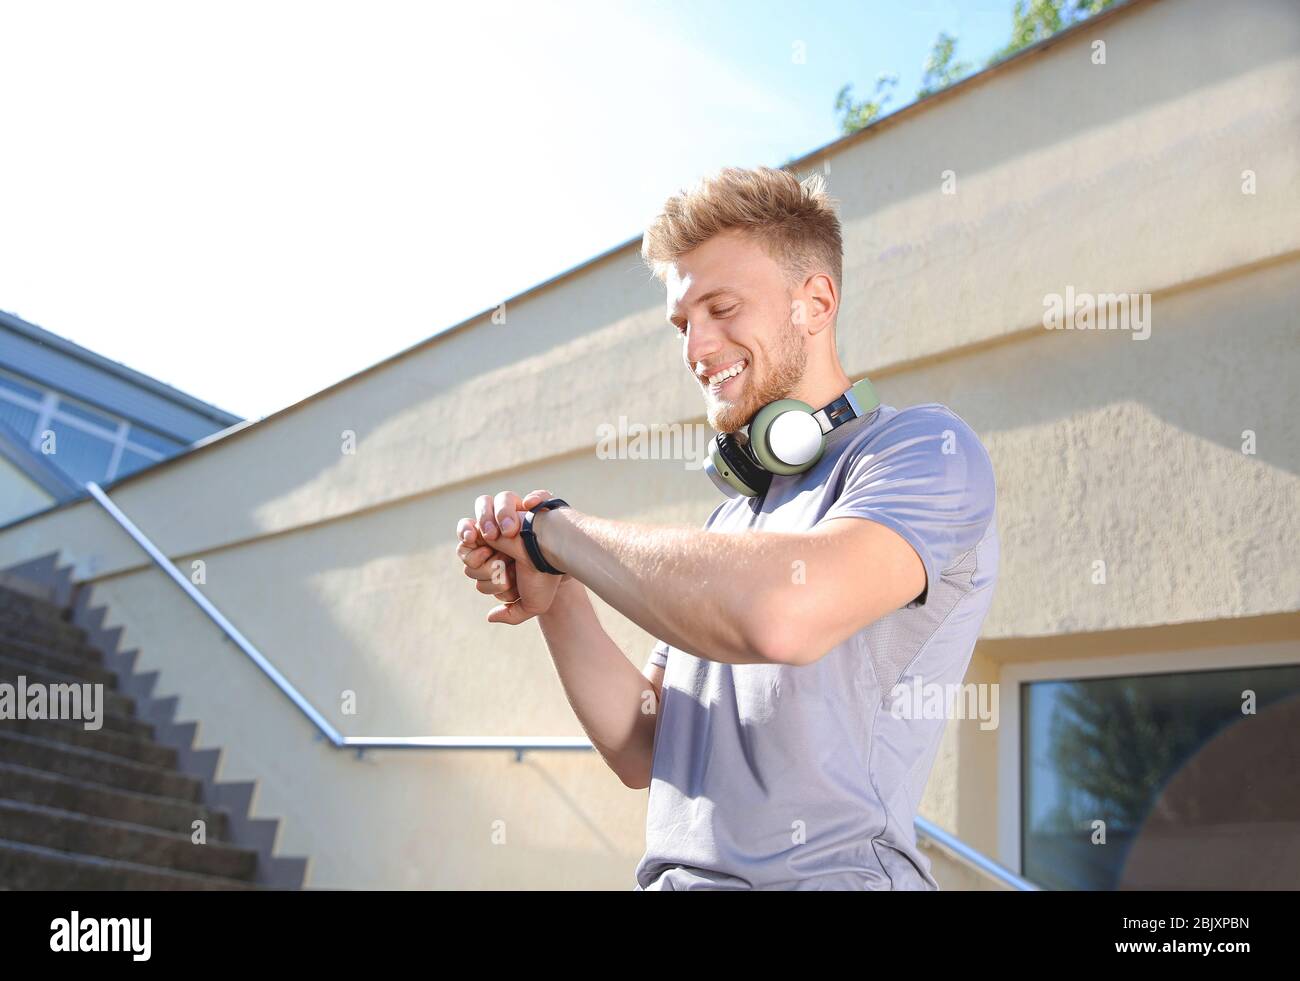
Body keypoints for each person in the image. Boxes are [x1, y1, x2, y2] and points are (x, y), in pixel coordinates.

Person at [455, 165, 998, 890]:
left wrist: (558, 532)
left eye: (721, 307)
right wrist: (557, 592)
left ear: (815, 302)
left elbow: (783, 615)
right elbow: (644, 745)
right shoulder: (731, 520)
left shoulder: (922, 450)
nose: (696, 348)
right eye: (683, 323)